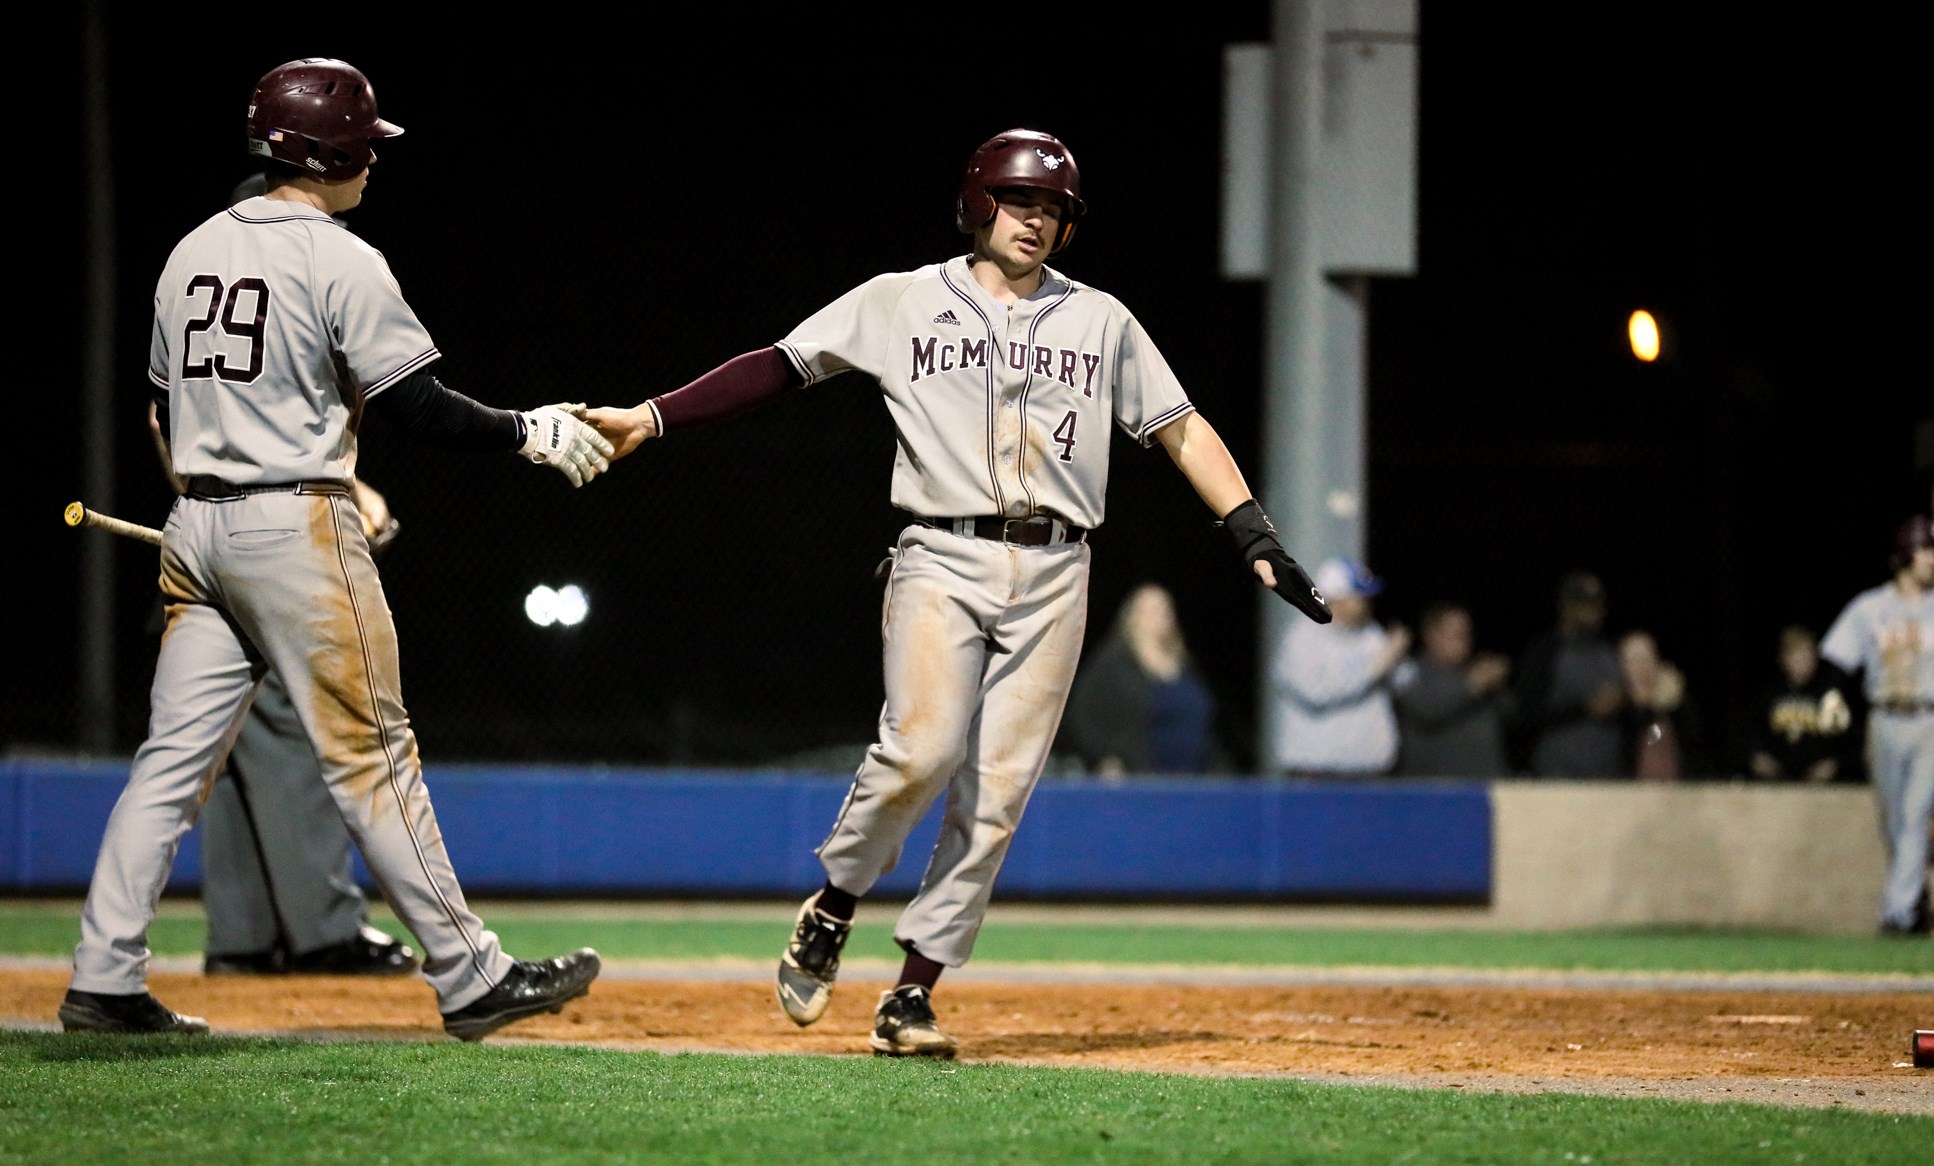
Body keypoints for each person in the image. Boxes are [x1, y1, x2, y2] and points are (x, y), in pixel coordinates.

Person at [582, 128, 1333, 1057]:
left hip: (1059, 566)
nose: (1038, 221)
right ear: (979, 202)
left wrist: (1250, 529)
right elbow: (781, 364)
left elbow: (1180, 427)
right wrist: (654, 417)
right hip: (943, 553)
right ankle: (836, 900)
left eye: (1054, 210)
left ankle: (911, 995)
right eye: (1022, 202)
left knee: (999, 792)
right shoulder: (903, 300)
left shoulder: (1101, 319)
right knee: (921, 751)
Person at [61, 57, 612, 1038]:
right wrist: (528, 431)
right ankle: (471, 972)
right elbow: (418, 408)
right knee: (374, 756)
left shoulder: (188, 250)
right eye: (363, 142)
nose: (372, 157)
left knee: (168, 767)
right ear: (328, 150)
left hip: (195, 526)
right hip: (295, 525)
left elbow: (159, 407)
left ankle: (102, 975)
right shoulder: (340, 256)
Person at [145, 399, 417, 976]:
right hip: (260, 556)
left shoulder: (182, 314)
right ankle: (325, 932)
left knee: (232, 754)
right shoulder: (273, 316)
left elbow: (190, 434)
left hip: (202, 559)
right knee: (292, 732)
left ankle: (243, 938)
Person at [1819, 514, 1934, 937]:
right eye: (1926, 550)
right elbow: (1835, 660)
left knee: (1914, 814)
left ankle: (1897, 915)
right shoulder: (1872, 607)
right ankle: (1915, 900)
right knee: (1892, 822)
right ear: (1905, 553)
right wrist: (1833, 700)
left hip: (1929, 720)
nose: (1932, 560)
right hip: (1884, 719)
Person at [1059, 582, 1226, 778]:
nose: (1161, 615)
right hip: (1139, 777)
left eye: (1165, 608)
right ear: (1132, 615)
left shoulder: (1183, 663)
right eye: (1152, 609)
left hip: (1192, 777)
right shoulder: (1113, 661)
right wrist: (1105, 757)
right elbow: (1082, 714)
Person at [1266, 557, 1411, 778]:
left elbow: (1403, 682)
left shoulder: (1369, 633)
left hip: (1369, 772)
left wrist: (1397, 659)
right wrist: (1376, 668)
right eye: (1360, 596)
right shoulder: (1302, 637)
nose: (1367, 602)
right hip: (1317, 774)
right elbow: (1316, 693)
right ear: (1337, 598)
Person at [1509, 570, 1626, 777]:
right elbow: (1525, 714)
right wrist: (1584, 708)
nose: (1594, 611)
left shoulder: (1611, 651)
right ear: (1566, 607)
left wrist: (1623, 702)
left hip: (1608, 780)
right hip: (1557, 779)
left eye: (1598, 604)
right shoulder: (1546, 651)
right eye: (1585, 605)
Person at [1389, 601, 1512, 778]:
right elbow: (1426, 710)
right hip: (1435, 786)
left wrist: (1499, 687)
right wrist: (1472, 686)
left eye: (1466, 634)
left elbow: (1513, 718)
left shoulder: (1476, 670)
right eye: (1455, 634)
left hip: (1485, 783)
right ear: (1430, 634)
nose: (1464, 641)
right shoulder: (1410, 672)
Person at [1746, 625, 1863, 785]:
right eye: (1796, 656)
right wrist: (1759, 755)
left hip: (1821, 783)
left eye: (1808, 655)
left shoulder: (1830, 695)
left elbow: (1848, 741)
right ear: (1783, 658)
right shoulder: (1769, 693)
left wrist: (1835, 763)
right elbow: (1754, 733)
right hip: (1778, 780)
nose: (1803, 662)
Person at [1615, 628, 1707, 781]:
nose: (1641, 667)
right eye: (1634, 660)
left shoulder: (1675, 699)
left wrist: (1676, 703)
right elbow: (1633, 732)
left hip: (1678, 790)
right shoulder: (1619, 704)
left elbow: (1696, 739)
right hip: (1632, 792)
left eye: (1646, 658)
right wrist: (1652, 706)